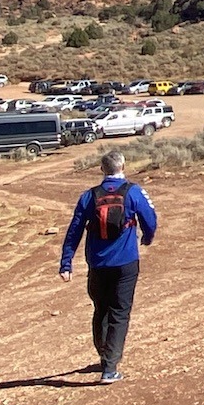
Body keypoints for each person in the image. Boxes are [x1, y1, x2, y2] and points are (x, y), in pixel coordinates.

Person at [59, 149, 158, 383]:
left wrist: (66, 262)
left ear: (102, 170)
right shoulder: (133, 192)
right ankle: (110, 367)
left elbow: (74, 230)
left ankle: (105, 355)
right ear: (123, 167)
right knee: (120, 312)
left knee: (101, 309)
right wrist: (146, 238)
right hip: (126, 262)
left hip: (97, 263)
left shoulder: (89, 196)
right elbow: (150, 220)